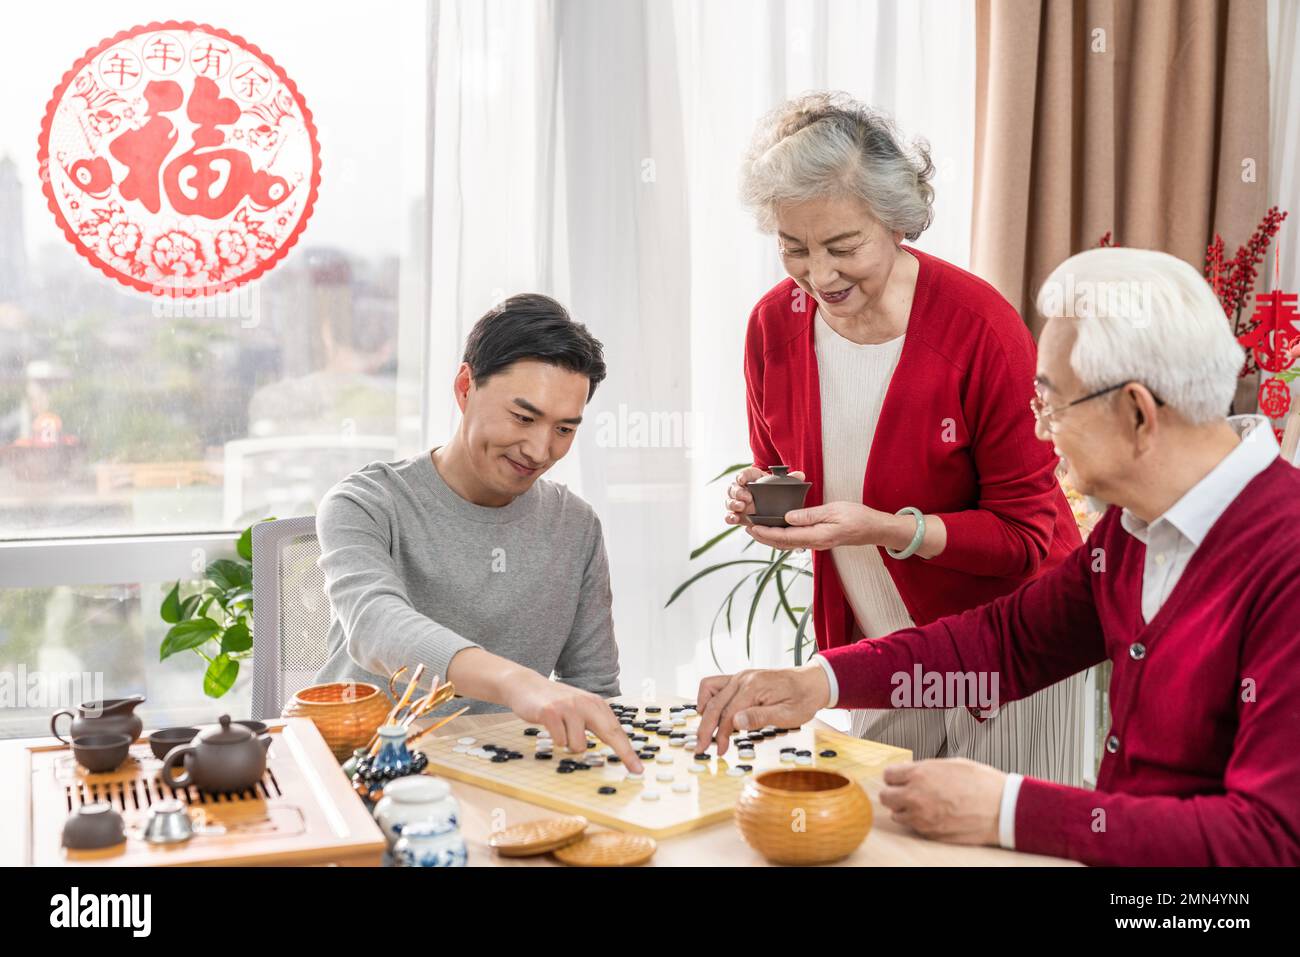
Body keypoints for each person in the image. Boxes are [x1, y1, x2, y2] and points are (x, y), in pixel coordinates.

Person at [696, 248, 1300, 865]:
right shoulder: (1136, 528)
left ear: (1137, 413)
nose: (1039, 431)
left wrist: (1006, 809)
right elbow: (1007, 642)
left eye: (1051, 403)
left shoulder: (1286, 561)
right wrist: (821, 681)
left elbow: (1269, 840)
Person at [728, 91, 1085, 780]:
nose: (819, 274)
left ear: (897, 225)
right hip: (878, 651)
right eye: (793, 247)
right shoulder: (773, 327)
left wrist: (886, 528)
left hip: (1009, 651)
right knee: (885, 840)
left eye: (843, 246)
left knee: (1005, 852)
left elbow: (1023, 537)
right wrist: (758, 498)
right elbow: (781, 470)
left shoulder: (979, 327)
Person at [314, 294, 642, 771]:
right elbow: (374, 625)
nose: (538, 449)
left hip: (507, 777)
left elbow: (594, 693)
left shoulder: (576, 526)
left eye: (565, 429)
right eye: (524, 418)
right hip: (361, 769)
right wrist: (517, 682)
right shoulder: (366, 502)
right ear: (466, 387)